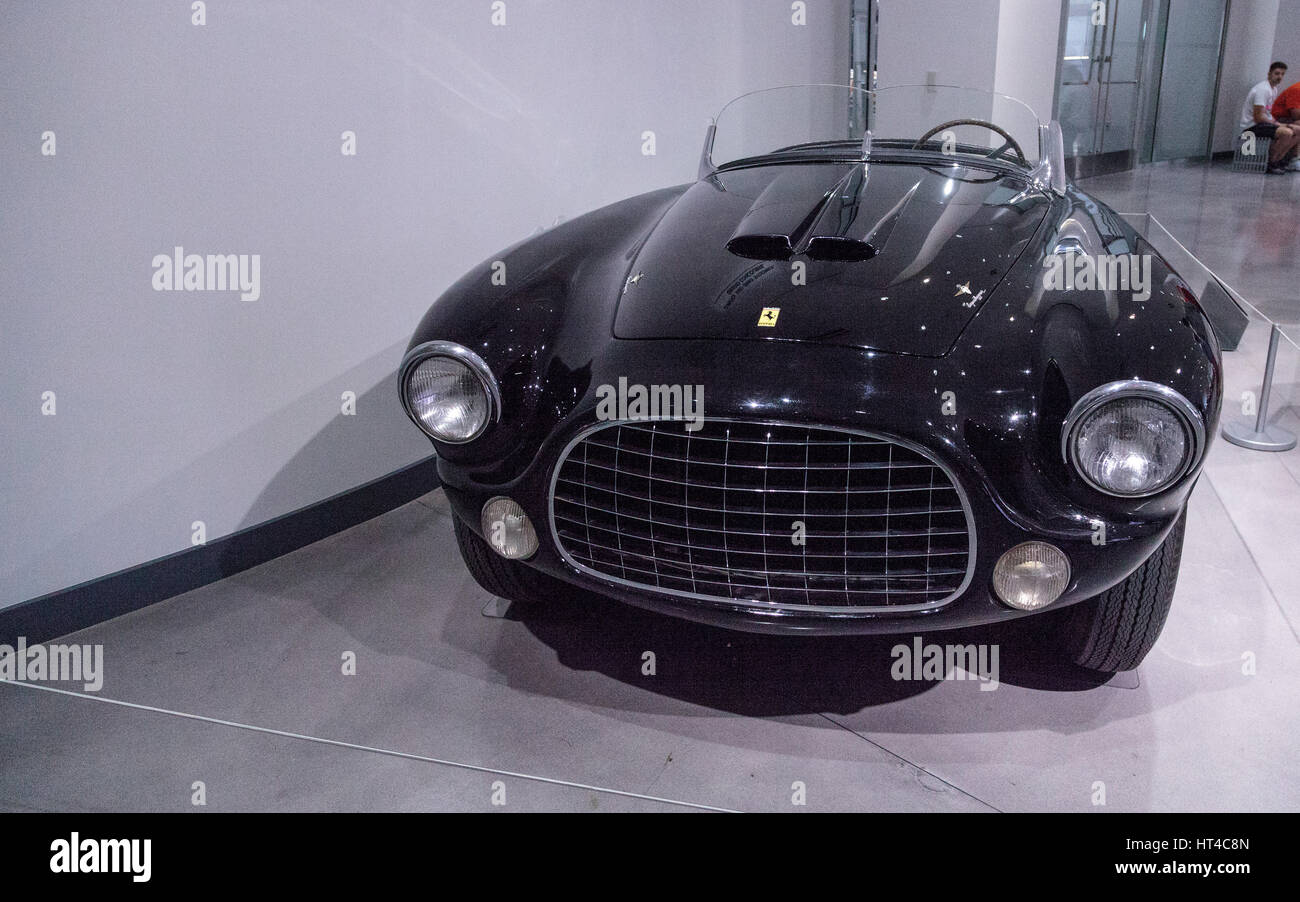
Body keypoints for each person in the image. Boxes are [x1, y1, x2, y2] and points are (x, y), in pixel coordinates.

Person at [1239, 61, 1298, 173]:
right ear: (1269, 73)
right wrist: (1279, 125)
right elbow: (1258, 117)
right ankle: (1271, 162)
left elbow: (1268, 113)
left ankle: (1281, 160)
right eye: (1277, 73)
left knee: (1298, 130)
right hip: (1252, 126)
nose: (1279, 77)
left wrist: (1281, 124)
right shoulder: (1263, 90)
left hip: (1263, 124)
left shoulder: (1273, 89)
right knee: (1287, 133)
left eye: (1282, 74)